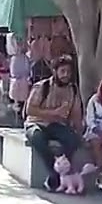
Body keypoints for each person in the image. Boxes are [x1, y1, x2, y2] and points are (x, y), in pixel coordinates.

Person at [23, 55, 84, 192]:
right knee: (37, 138)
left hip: (57, 126)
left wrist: (80, 131)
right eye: (62, 71)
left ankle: (62, 171)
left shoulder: (72, 90)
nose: (66, 75)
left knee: (73, 140)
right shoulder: (42, 87)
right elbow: (29, 110)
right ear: (55, 71)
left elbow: (76, 114)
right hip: (36, 123)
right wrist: (54, 112)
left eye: (68, 72)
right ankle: (54, 173)